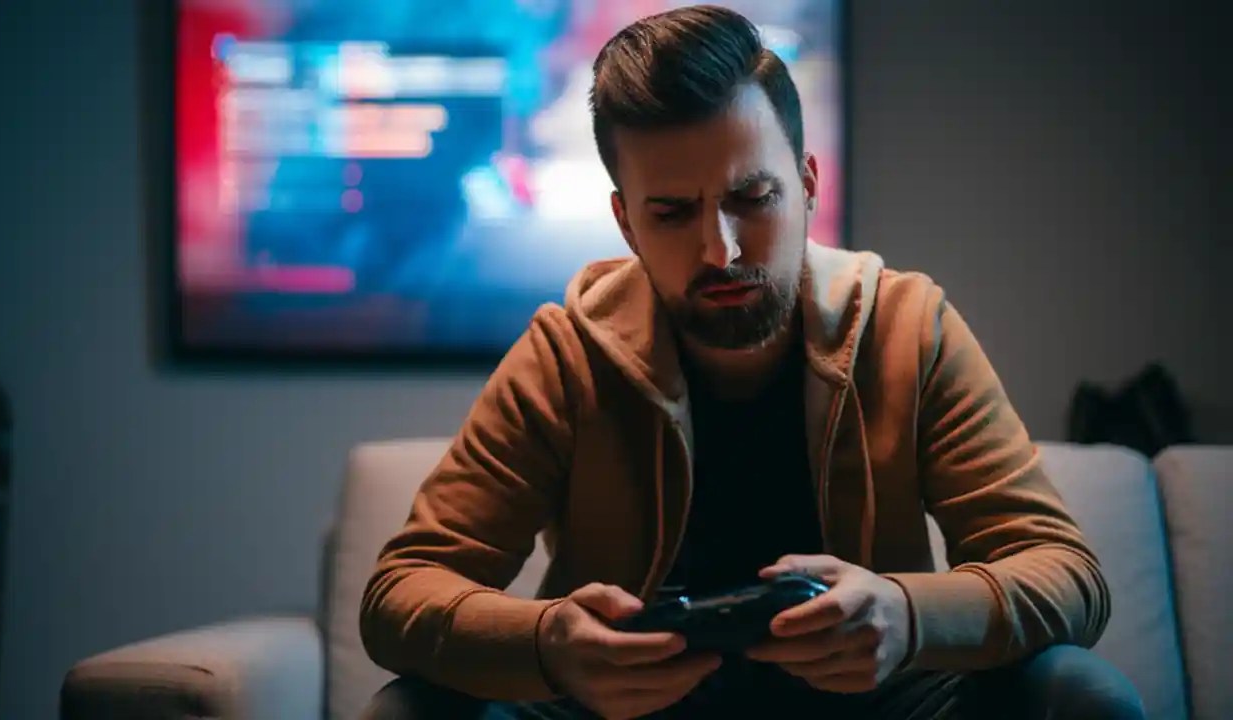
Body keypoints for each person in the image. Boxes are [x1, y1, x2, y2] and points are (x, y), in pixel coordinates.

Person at [358, 5, 1144, 718]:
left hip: (876, 705)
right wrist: (548, 645)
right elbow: (398, 595)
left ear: (807, 185)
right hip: (620, 713)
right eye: (673, 213)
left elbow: (1066, 573)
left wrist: (906, 615)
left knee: (1079, 693)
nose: (721, 249)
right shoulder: (567, 356)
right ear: (626, 224)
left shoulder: (906, 328)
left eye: (753, 198)